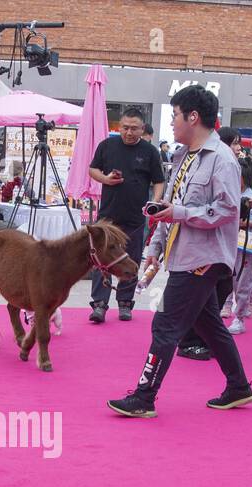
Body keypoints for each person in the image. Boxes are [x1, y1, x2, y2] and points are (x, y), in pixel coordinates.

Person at [108, 86, 252, 418]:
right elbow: (169, 208)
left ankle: (145, 397)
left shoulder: (222, 160)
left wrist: (180, 214)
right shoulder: (182, 156)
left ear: (193, 117)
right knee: (208, 324)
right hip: (182, 253)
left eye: (175, 115)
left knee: (165, 324)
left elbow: (227, 210)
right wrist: (154, 249)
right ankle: (239, 386)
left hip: (205, 258)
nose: (171, 122)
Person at [87, 107, 166, 324]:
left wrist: (155, 203)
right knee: (101, 259)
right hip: (108, 216)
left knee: (130, 259)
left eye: (134, 128)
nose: (128, 132)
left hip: (135, 216)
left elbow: (158, 181)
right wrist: (105, 179)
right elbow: (92, 169)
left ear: (142, 129)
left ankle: (125, 303)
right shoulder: (107, 145)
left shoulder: (150, 152)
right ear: (119, 126)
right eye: (124, 128)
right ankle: (100, 304)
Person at [179, 126, 240, 357]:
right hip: (197, 251)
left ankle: (238, 384)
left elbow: (226, 207)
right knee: (168, 321)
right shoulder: (188, 158)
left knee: (210, 309)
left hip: (217, 250)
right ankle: (187, 342)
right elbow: (177, 203)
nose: (238, 148)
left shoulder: (225, 161)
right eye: (235, 142)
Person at [223, 157, 252, 335]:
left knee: (244, 281)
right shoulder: (227, 195)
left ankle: (239, 317)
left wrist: (247, 224)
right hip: (228, 243)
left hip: (247, 245)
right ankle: (228, 306)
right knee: (228, 278)